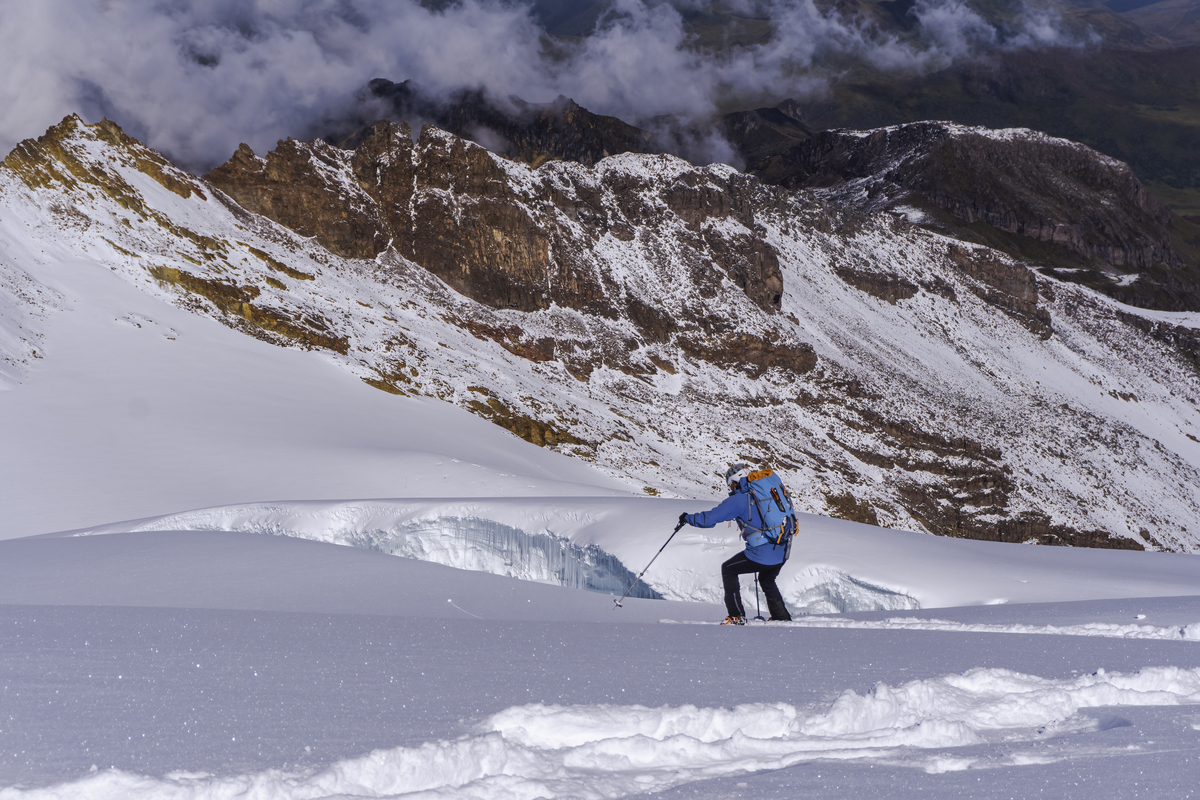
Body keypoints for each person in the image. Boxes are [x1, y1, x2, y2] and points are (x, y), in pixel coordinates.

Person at [679, 463, 793, 625]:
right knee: (767, 579)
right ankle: (781, 617)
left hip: (762, 554)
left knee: (729, 569)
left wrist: (687, 518)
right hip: (782, 550)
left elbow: (709, 519)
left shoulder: (739, 500)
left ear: (735, 482)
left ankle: (736, 616)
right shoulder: (763, 493)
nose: (731, 488)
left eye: (731, 484)